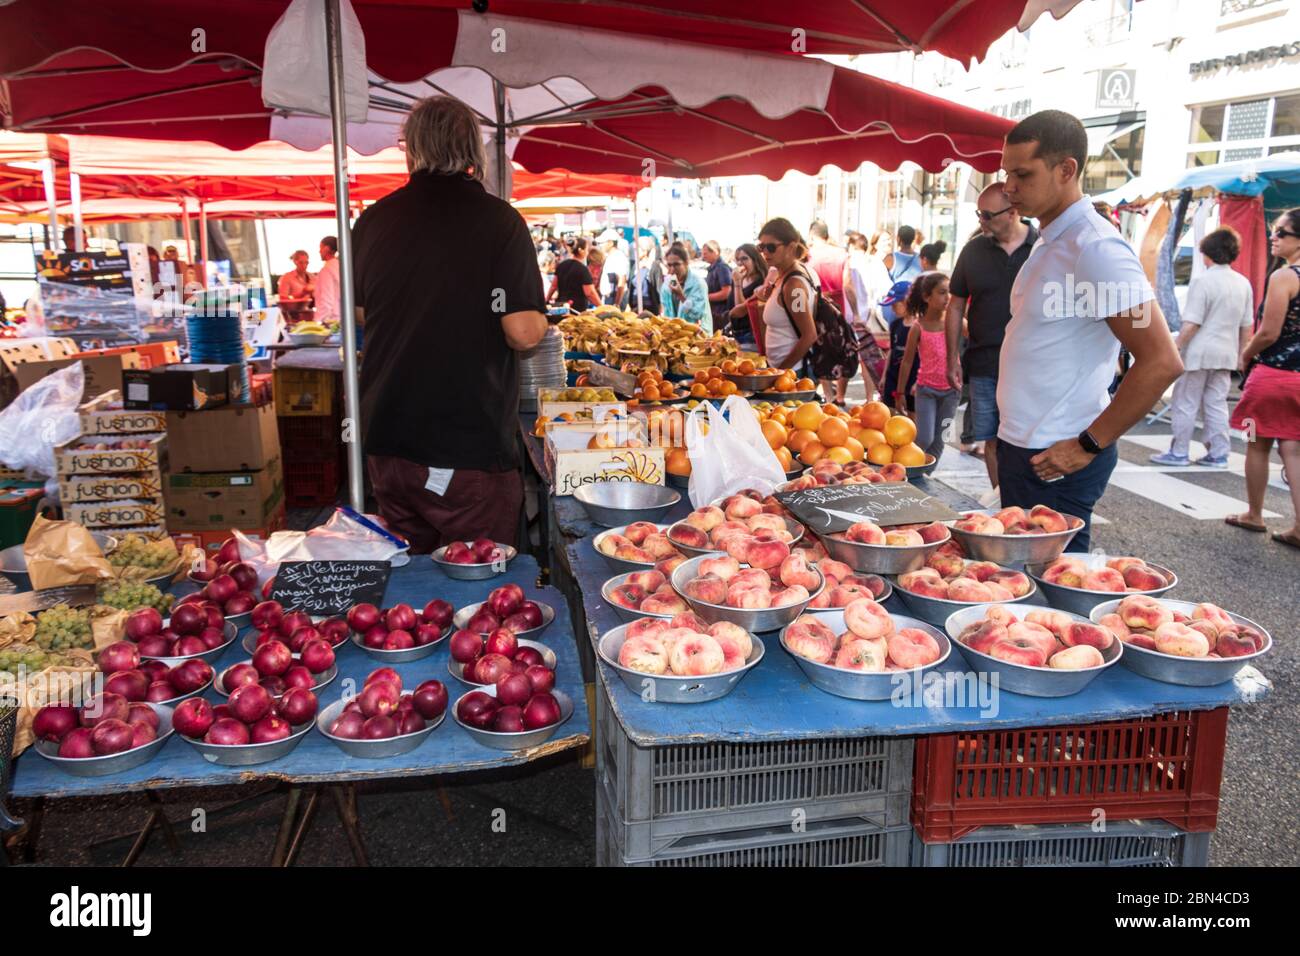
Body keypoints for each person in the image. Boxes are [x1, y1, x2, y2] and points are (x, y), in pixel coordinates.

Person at [352, 95, 547, 552]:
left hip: (390, 442)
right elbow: (521, 331)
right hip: (466, 446)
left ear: (412, 150)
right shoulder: (500, 222)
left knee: (410, 597)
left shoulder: (373, 220)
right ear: (473, 151)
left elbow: (361, 313)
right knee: (482, 594)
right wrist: (540, 320)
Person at [997, 109, 1182, 551]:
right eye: (1007, 173)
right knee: (1021, 597)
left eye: (1022, 174)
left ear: (1066, 170)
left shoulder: (1096, 247)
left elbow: (1160, 361)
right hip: (1026, 447)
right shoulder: (1051, 239)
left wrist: (1087, 444)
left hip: (1057, 456)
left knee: (1055, 604)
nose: (1009, 187)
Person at [944, 181, 1039, 494]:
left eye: (986, 215)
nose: (981, 221)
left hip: (1032, 367)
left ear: (1012, 212)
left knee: (1029, 437)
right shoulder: (974, 250)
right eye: (978, 214)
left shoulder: (1042, 247)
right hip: (985, 362)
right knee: (991, 438)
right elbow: (955, 305)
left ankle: (1028, 496)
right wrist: (952, 357)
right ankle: (1005, 501)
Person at [1225, 209, 1300, 548]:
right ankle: (1298, 525)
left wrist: (1246, 353)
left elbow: (1269, 332)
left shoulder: (1285, 277)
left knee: (1256, 442)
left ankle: (1255, 513)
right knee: (1294, 449)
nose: (1274, 237)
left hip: (1272, 377)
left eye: (1281, 233)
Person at [1151, 227, 1253, 468]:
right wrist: (1242, 354)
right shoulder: (1243, 283)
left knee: (1186, 401)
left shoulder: (1203, 281)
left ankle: (1179, 451)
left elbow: (1192, 323)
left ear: (1207, 254)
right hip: (1226, 352)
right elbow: (1246, 325)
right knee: (1216, 403)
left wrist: (1175, 346)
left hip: (1199, 352)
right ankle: (1219, 452)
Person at [896, 272, 959, 466]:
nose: (947, 297)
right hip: (926, 391)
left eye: (950, 292)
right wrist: (899, 392)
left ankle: (924, 476)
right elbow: (906, 362)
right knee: (924, 438)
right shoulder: (918, 327)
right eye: (941, 292)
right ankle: (908, 467)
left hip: (952, 393)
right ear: (926, 297)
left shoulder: (955, 322)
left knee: (941, 440)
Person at [755, 219, 818, 371]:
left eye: (771, 247)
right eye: (761, 247)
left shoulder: (793, 285)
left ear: (790, 247)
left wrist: (781, 372)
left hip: (793, 373)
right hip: (784, 369)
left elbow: (809, 335)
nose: (765, 252)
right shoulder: (786, 275)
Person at [879, 281, 915, 414]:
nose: (892, 309)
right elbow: (892, 351)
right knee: (888, 413)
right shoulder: (895, 325)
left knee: (912, 416)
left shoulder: (920, 327)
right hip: (893, 377)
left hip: (912, 379)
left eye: (895, 305)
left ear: (907, 302)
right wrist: (884, 376)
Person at [724, 242, 766, 349]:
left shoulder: (761, 282)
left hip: (750, 334)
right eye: (738, 259)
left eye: (744, 259)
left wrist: (737, 283)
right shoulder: (740, 278)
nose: (740, 263)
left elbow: (741, 310)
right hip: (736, 333)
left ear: (755, 260)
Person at [660, 242, 710, 327]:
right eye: (669, 265)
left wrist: (681, 296)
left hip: (698, 335)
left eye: (676, 265)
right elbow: (667, 314)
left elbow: (697, 315)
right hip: (676, 335)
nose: (672, 270)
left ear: (686, 263)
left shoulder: (698, 284)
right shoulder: (666, 286)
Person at [548, 236, 600, 311]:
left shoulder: (561, 265)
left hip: (561, 307)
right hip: (577, 309)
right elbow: (590, 293)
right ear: (580, 250)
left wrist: (547, 300)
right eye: (586, 249)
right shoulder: (583, 269)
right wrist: (601, 306)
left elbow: (553, 286)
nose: (587, 252)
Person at [700, 240, 733, 329]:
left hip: (721, 314)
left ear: (715, 252)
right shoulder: (712, 269)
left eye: (705, 253)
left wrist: (705, 297)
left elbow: (726, 292)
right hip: (715, 313)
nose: (703, 256)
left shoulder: (722, 268)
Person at [277, 249, 314, 319]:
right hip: (292, 315)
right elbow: (282, 300)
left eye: (306, 263)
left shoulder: (312, 277)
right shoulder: (286, 278)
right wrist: (302, 294)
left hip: (308, 312)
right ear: (295, 262)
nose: (304, 265)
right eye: (301, 263)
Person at [596, 229, 628, 307]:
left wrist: (616, 304)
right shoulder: (610, 256)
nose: (600, 245)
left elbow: (621, 281)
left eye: (602, 243)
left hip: (613, 299)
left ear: (610, 243)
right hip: (608, 298)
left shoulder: (618, 257)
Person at [313, 235, 340, 325]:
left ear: (326, 248)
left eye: (320, 248)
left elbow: (327, 300)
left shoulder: (326, 270)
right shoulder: (340, 266)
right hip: (342, 318)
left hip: (331, 322)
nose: (319, 251)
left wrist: (317, 323)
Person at [631, 236, 662, 313]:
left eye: (636, 250)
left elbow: (658, 288)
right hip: (635, 307)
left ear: (645, 251)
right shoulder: (635, 266)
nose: (634, 252)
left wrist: (661, 308)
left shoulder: (654, 266)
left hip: (650, 308)